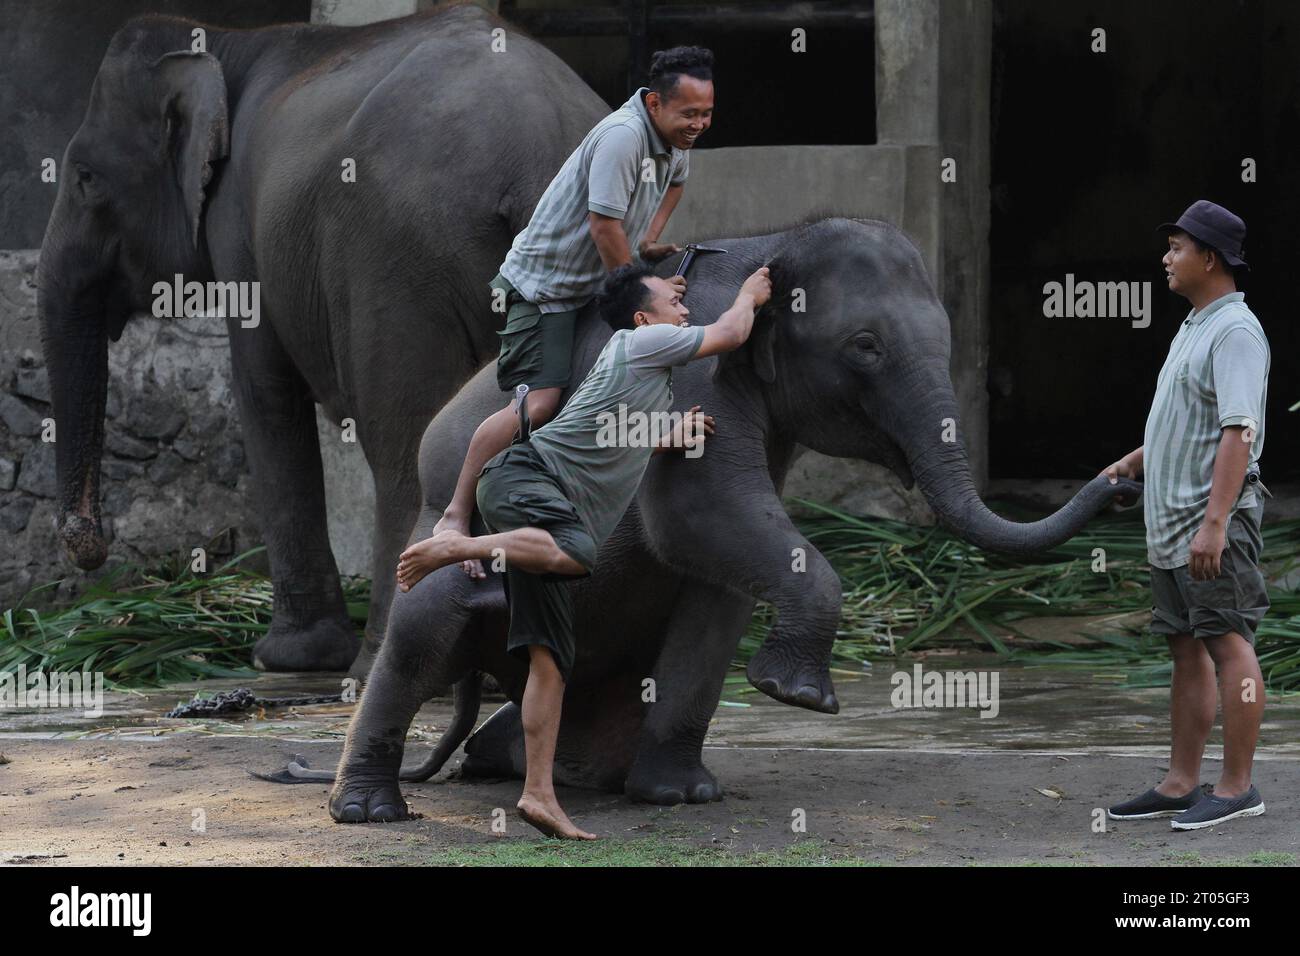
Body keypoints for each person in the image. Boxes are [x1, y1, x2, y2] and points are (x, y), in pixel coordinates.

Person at [396, 263, 773, 839]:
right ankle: (455, 547)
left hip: (534, 504)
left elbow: (609, 440)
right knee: (577, 551)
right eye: (675, 303)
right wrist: (749, 294)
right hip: (527, 481)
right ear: (645, 318)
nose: (685, 310)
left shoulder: (639, 373)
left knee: (550, 666)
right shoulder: (642, 340)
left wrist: (667, 436)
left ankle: (538, 795)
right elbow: (730, 334)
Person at [430, 46, 717, 578]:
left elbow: (675, 183)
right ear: (654, 103)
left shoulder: (674, 141)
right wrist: (641, 285)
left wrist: (650, 239)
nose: (698, 124)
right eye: (689, 114)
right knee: (539, 405)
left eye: (706, 113)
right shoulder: (623, 137)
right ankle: (454, 516)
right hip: (547, 289)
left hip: (593, 286)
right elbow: (603, 226)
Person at [1105, 200, 1271, 830]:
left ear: (1209, 257)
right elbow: (1188, 422)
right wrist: (1136, 459)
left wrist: (1216, 521)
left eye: (1176, 247)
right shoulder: (1196, 325)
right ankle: (1181, 784)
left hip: (1209, 524)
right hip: (1173, 523)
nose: (1166, 258)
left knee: (1229, 645)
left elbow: (1239, 431)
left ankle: (1237, 787)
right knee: (1186, 648)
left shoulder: (1235, 331)